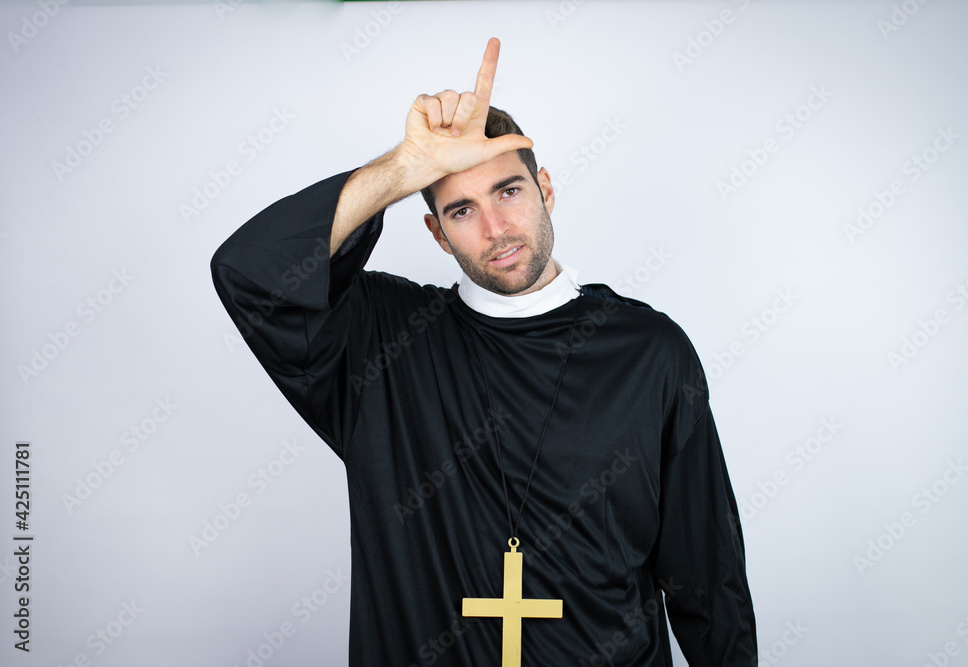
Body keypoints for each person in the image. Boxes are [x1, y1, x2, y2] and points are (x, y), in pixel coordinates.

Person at [211, 37, 756, 666]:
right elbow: (249, 272)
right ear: (436, 234)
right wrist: (402, 168)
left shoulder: (650, 353)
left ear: (545, 188)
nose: (496, 229)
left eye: (508, 191)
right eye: (462, 209)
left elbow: (708, 582)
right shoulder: (382, 344)